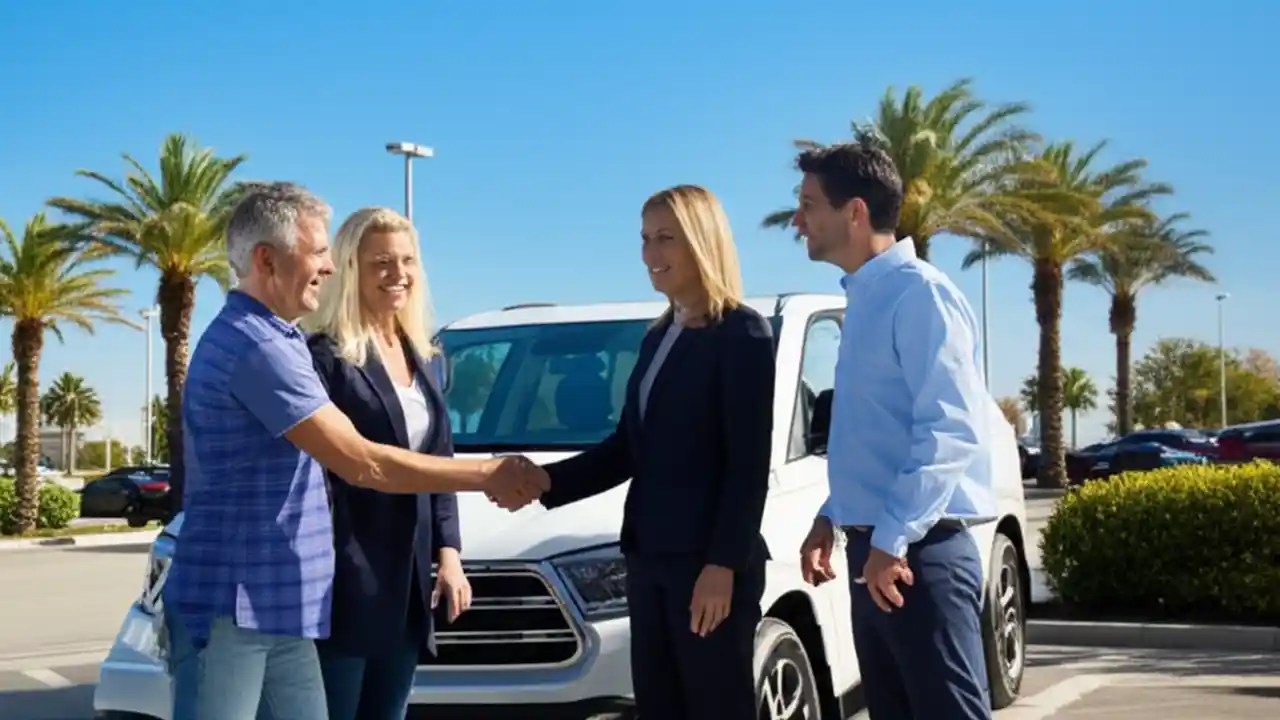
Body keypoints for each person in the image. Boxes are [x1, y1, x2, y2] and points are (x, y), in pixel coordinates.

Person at [163, 182, 544, 720]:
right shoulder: (258, 347)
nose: (327, 267)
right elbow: (361, 460)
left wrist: (448, 546)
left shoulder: (282, 341)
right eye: (317, 252)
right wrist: (488, 473)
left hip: (283, 607)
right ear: (266, 260)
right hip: (235, 607)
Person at [530, 184, 776, 720]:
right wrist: (543, 482)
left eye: (666, 238)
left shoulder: (742, 333)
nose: (651, 255)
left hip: (706, 567)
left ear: (701, 242)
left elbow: (747, 464)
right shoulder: (659, 336)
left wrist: (722, 565)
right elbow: (628, 448)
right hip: (648, 561)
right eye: (645, 239)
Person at [791, 143, 998, 719]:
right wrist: (833, 516)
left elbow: (950, 428)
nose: (797, 220)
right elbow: (881, 436)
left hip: (918, 559)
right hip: (880, 553)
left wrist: (891, 538)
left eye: (808, 204)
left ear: (854, 212)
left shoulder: (920, 294)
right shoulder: (865, 298)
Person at [301, 206, 470, 720]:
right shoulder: (325, 357)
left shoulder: (426, 356)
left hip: (409, 588)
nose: (398, 274)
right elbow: (343, 464)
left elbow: (438, 461)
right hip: (346, 582)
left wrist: (450, 551)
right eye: (381, 262)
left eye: (407, 260)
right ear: (350, 269)